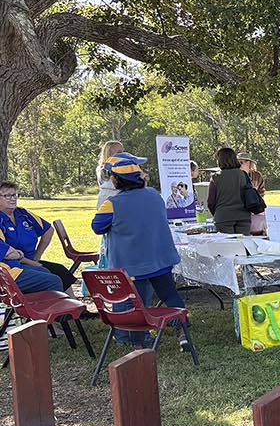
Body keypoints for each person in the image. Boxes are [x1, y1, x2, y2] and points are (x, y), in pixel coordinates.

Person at [90, 153, 192, 351]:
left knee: (133, 303)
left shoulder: (112, 203)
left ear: (116, 179)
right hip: (160, 258)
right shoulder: (154, 195)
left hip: (132, 265)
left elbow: (97, 227)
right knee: (170, 296)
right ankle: (183, 334)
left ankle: (137, 341)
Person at [0, 181, 73, 292]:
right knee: (52, 279)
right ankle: (52, 308)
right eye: (7, 196)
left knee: (59, 270)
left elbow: (48, 230)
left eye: (14, 195)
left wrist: (36, 257)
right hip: (13, 266)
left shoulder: (23, 214)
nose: (12, 198)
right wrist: (31, 262)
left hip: (26, 261)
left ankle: (75, 307)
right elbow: (7, 253)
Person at [207, 147, 253, 235]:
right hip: (243, 216)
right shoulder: (243, 175)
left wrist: (217, 214)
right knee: (243, 246)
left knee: (227, 247)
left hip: (223, 217)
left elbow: (211, 202)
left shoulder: (216, 177)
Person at [237, 151, 266, 235]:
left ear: (248, 163)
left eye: (241, 162)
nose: (239, 165)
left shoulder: (257, 176)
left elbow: (261, 191)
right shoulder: (236, 176)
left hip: (255, 208)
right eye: (237, 163)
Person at [96, 140, 124, 209]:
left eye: (123, 151)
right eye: (119, 152)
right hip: (109, 201)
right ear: (109, 154)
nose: (123, 154)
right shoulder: (104, 170)